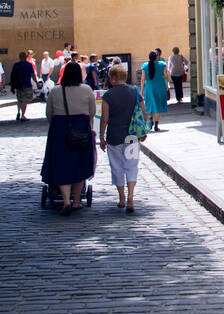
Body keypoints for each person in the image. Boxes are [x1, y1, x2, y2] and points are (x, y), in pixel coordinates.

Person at [41, 60, 96, 214]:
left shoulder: (55, 91)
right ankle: (77, 201)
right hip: (80, 128)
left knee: (61, 164)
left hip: (59, 128)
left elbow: (49, 114)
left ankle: (66, 201)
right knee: (80, 162)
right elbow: (92, 112)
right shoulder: (87, 90)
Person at [99, 63, 145, 212]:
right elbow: (144, 113)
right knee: (132, 166)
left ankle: (122, 198)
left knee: (117, 167)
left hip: (114, 136)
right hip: (132, 136)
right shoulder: (134, 92)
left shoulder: (108, 95)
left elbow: (104, 118)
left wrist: (102, 136)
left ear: (112, 78)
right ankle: (131, 195)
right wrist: (142, 131)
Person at [139, 50, 169, 131]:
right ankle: (156, 124)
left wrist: (141, 90)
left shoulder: (145, 66)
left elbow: (142, 79)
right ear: (157, 57)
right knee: (158, 104)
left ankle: (150, 121)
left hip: (149, 87)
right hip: (160, 87)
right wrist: (167, 85)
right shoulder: (162, 65)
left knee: (149, 104)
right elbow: (166, 76)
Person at [9, 51, 37, 121]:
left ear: (19, 57)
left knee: (19, 100)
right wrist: (36, 82)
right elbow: (32, 75)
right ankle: (23, 115)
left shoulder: (16, 65)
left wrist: (12, 86)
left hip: (18, 85)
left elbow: (12, 75)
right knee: (24, 101)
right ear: (26, 57)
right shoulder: (29, 65)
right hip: (27, 85)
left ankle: (18, 112)